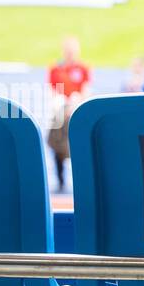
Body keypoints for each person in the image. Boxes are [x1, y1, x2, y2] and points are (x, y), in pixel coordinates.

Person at [47, 36, 92, 193]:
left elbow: (85, 90)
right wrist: (63, 107)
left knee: (80, 146)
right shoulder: (55, 69)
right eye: (68, 50)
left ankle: (83, 182)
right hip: (61, 111)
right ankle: (60, 180)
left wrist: (74, 105)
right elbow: (54, 91)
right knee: (57, 145)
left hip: (76, 110)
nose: (70, 53)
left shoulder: (83, 69)